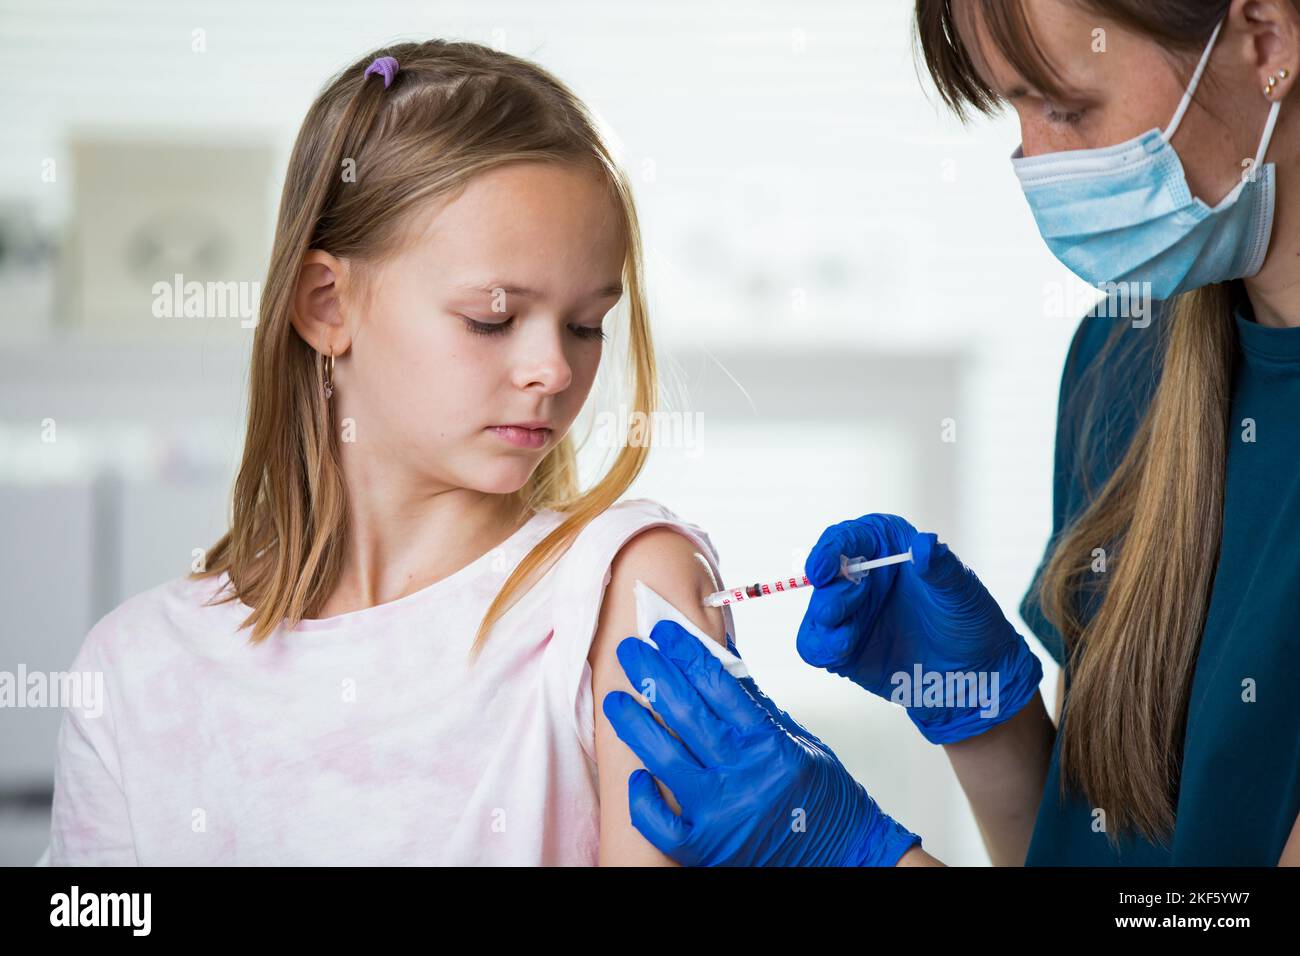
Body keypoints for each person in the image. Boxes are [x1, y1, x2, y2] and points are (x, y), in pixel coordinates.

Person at [604, 0, 1300, 866]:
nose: (1035, 163)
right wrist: (984, 711)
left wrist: (844, 849)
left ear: (1267, 38)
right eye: (1012, 110)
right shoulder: (1124, 365)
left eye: (1068, 108)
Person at [45, 40, 736, 866]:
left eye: (586, 325)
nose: (554, 368)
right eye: (492, 317)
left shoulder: (621, 587)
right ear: (326, 304)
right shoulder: (134, 671)